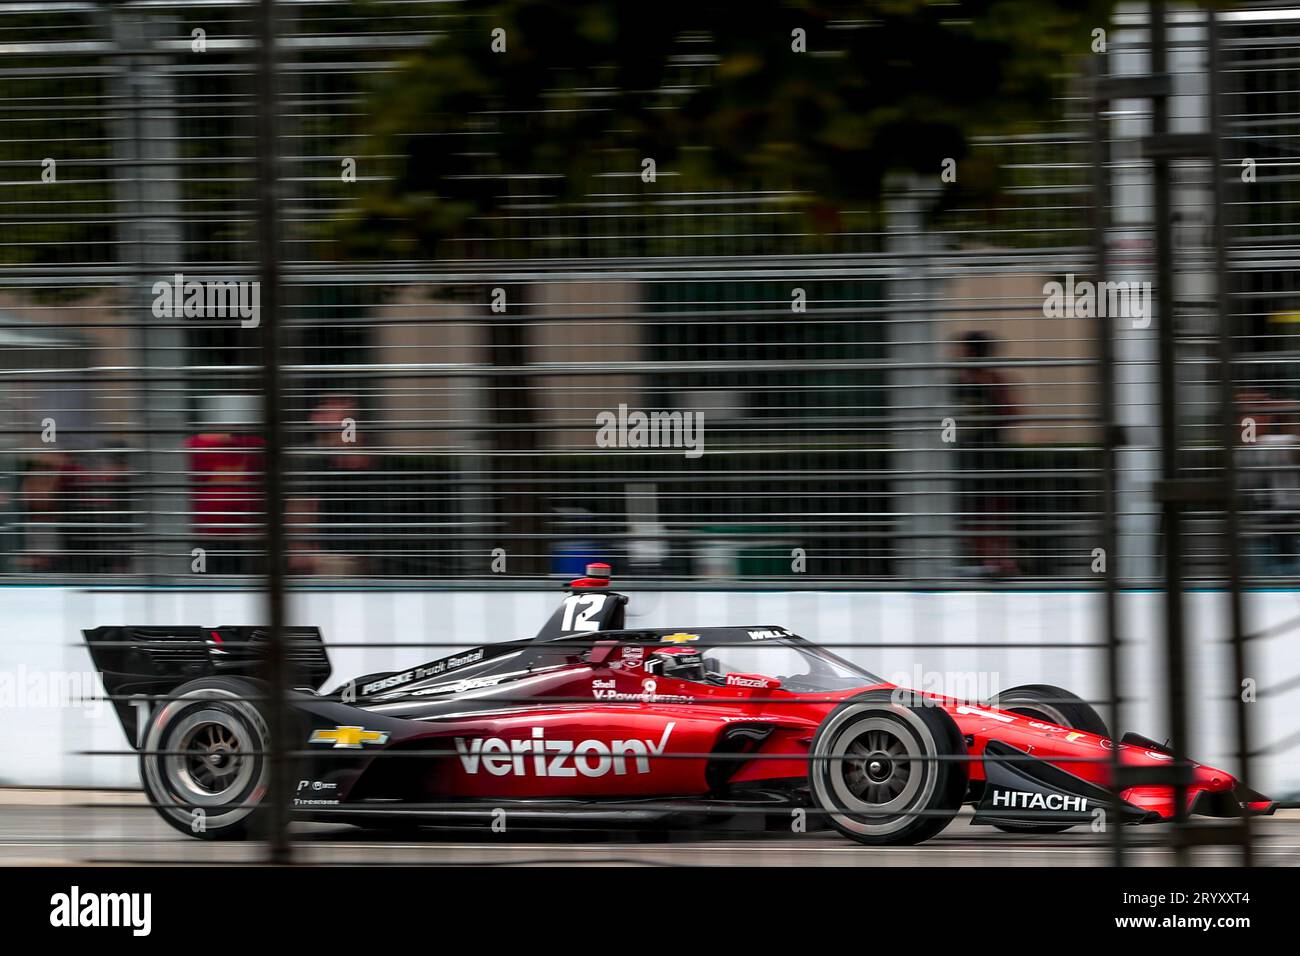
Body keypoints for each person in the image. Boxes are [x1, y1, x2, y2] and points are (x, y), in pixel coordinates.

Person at [288, 396, 379, 576]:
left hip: (359, 551)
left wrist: (348, 421)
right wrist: (300, 548)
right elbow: (300, 505)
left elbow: (353, 453)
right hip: (329, 555)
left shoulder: (349, 448)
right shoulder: (309, 458)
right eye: (322, 409)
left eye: (329, 409)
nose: (321, 415)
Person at [953, 331, 1020, 576]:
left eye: (963, 350)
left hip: (988, 458)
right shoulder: (958, 383)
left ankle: (998, 561)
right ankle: (991, 562)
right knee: (975, 514)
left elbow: (1012, 414)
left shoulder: (992, 381)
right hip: (971, 458)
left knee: (992, 512)